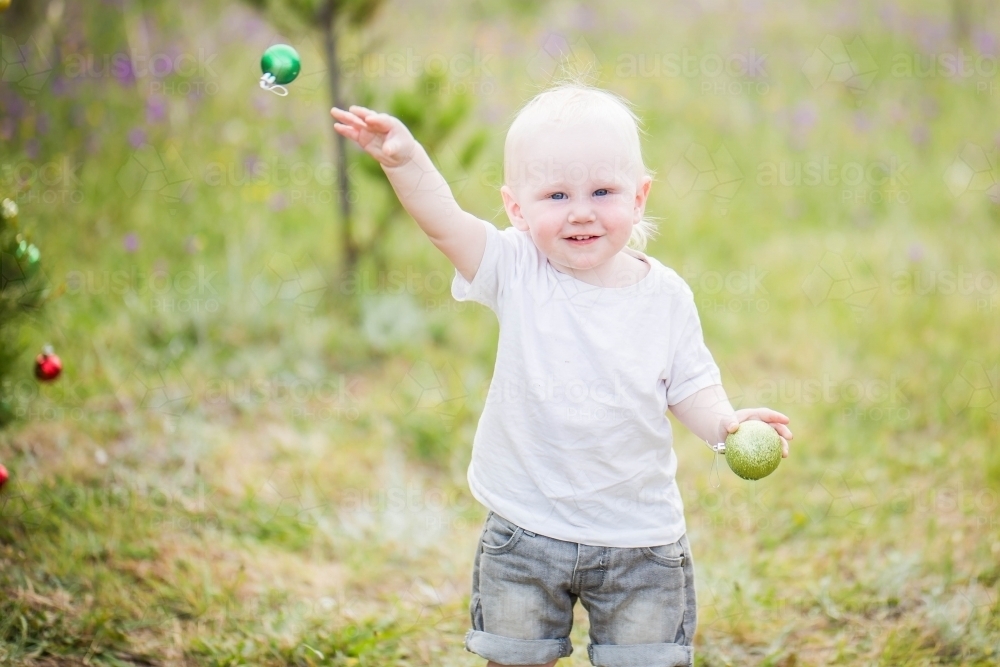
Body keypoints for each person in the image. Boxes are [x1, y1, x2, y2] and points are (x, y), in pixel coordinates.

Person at [331, 80, 793, 667]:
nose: (580, 211)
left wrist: (726, 425)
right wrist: (405, 161)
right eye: (555, 195)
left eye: (603, 190)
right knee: (514, 656)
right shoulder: (516, 268)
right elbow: (444, 223)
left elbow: (691, 385)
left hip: (639, 540)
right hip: (526, 529)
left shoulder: (666, 297)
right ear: (516, 209)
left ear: (640, 196)